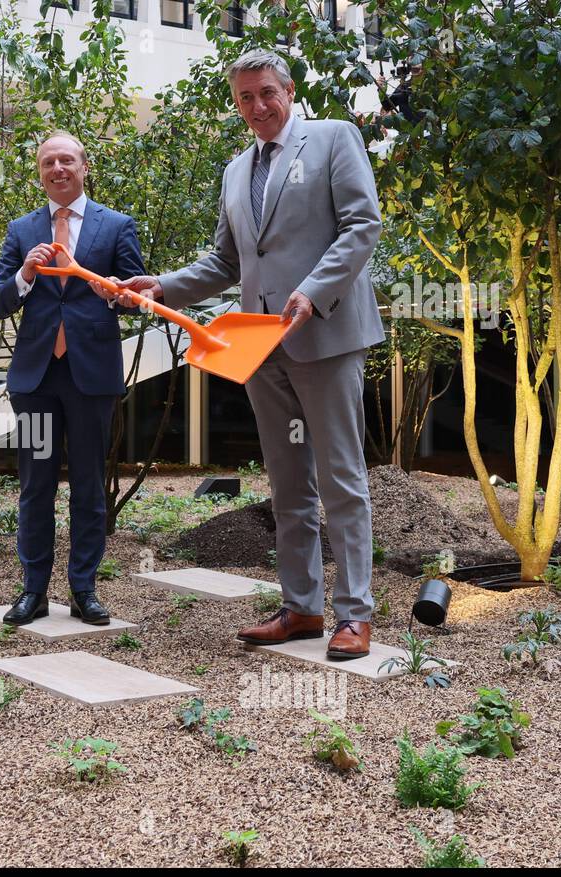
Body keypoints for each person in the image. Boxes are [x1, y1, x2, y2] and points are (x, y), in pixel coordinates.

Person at [117, 49, 384, 659]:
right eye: (245, 98)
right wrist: (162, 285)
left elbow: (361, 225)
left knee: (341, 478)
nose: (258, 106)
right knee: (287, 481)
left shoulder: (334, 138)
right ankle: (301, 608)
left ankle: (355, 615)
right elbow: (226, 262)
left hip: (327, 336)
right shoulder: (236, 170)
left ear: (288, 90)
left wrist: (313, 293)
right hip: (260, 345)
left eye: (267, 93)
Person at [0, 131, 145, 627]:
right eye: (48, 162)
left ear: (84, 166)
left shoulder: (116, 226)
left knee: (87, 486)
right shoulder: (20, 229)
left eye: (67, 160)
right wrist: (25, 277)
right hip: (37, 384)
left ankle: (83, 590)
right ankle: (33, 591)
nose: (58, 168)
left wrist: (114, 292)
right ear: (40, 172)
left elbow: (135, 295)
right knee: (36, 484)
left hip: (90, 380)